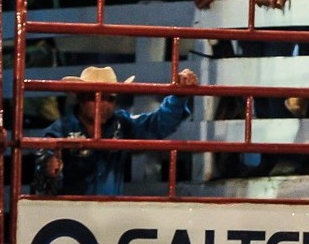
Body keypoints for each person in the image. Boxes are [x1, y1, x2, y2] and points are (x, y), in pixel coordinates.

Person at [34, 66, 198, 197]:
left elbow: (157, 124)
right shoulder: (61, 130)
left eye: (109, 98)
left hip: (105, 216)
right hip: (69, 215)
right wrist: (49, 166)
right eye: (95, 97)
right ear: (81, 98)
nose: (103, 104)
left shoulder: (121, 123)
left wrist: (178, 97)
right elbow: (43, 176)